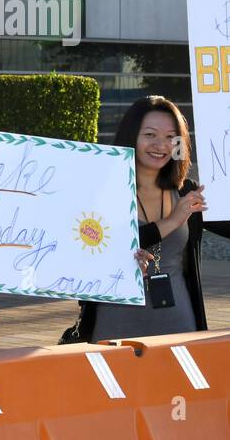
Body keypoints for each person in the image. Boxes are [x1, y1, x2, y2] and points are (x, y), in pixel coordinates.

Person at [73, 96, 230, 341]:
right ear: (131, 136)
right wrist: (172, 221)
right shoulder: (103, 191)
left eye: (170, 137)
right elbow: (89, 249)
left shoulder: (187, 191)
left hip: (180, 324)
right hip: (114, 326)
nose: (161, 145)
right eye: (149, 135)